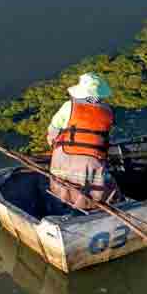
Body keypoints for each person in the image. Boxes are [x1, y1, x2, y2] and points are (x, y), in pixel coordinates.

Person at [46, 72, 121, 212]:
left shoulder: (69, 106)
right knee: (104, 191)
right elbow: (104, 141)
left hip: (62, 157)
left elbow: (53, 131)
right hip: (91, 162)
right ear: (100, 95)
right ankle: (92, 209)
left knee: (63, 184)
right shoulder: (108, 111)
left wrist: (53, 146)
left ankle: (63, 207)